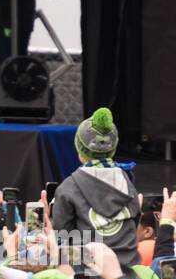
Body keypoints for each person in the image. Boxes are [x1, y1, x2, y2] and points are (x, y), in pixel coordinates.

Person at [50, 107, 138, 268]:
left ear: (80, 153)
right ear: (113, 149)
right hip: (130, 268)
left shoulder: (68, 187)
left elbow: (62, 237)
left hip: (89, 273)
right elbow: (135, 224)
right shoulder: (128, 182)